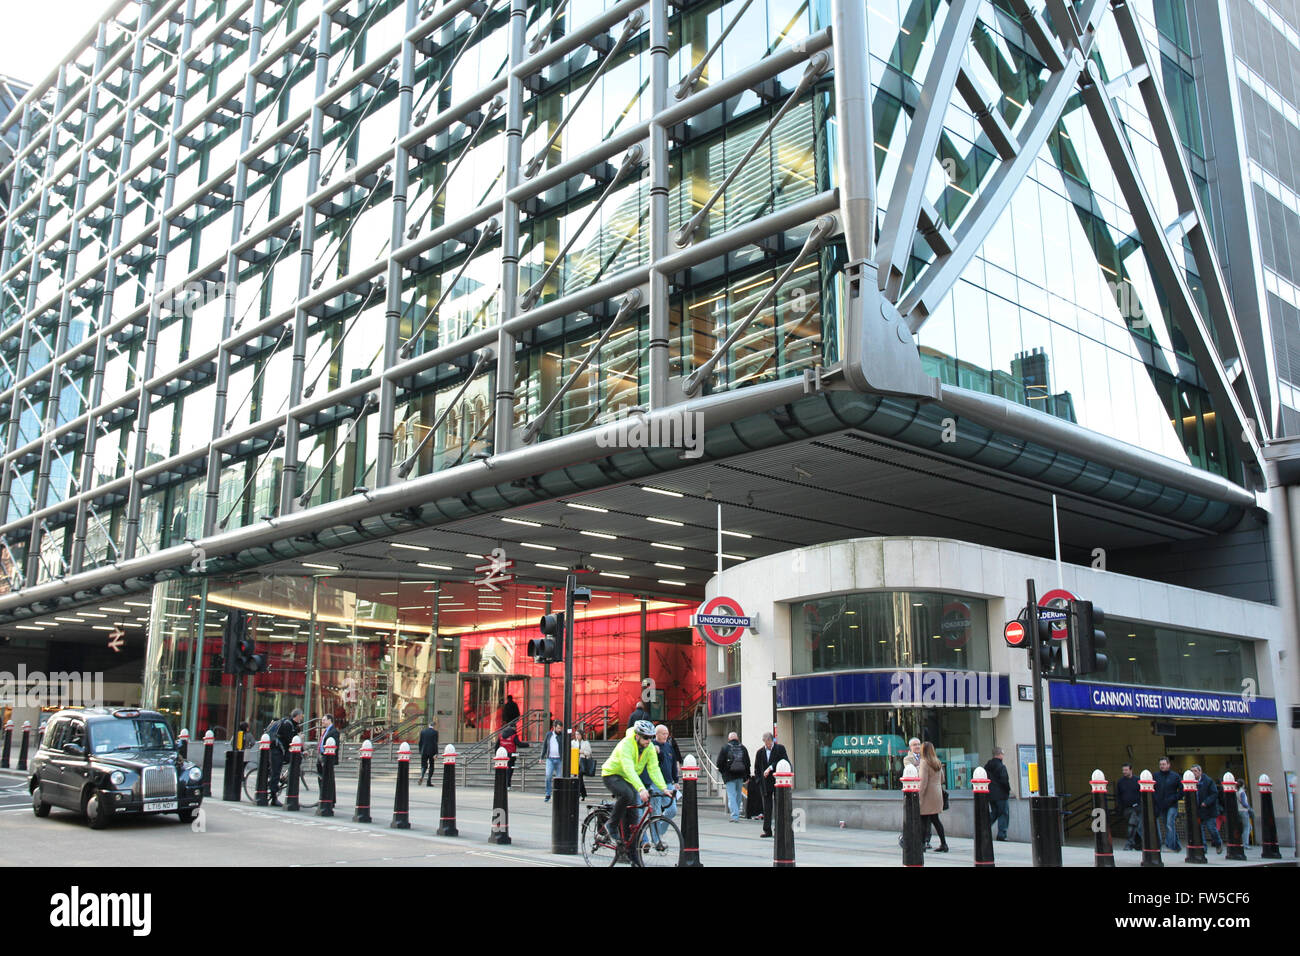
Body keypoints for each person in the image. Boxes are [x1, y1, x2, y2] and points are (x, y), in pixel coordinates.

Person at [600, 720, 668, 846]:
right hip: (612, 774)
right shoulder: (626, 744)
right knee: (627, 794)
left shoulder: (650, 748)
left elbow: (654, 769)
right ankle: (611, 825)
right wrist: (641, 789)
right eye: (646, 737)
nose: (649, 741)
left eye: (651, 737)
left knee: (633, 816)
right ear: (637, 736)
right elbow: (628, 769)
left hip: (628, 778)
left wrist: (664, 788)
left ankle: (629, 851)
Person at [642, 725, 680, 848]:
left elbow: (673, 764)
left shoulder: (669, 747)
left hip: (668, 783)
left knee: (672, 810)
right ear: (656, 734)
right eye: (663, 733)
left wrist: (676, 780)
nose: (666, 736)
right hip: (655, 783)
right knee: (656, 812)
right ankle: (656, 840)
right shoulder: (651, 746)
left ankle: (659, 832)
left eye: (667, 733)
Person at [753, 731, 791, 838]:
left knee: (778, 805)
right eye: (765, 742)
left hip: (777, 781)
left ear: (772, 740)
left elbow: (784, 761)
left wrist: (770, 768)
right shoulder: (760, 752)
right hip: (765, 784)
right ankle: (767, 830)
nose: (767, 744)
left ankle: (778, 829)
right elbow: (756, 768)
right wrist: (759, 780)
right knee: (767, 807)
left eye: (768, 742)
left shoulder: (780, 749)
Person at [266, 708, 303, 806]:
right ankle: (273, 798)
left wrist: (303, 750)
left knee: (297, 759)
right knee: (276, 772)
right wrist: (300, 739)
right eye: (301, 716)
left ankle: (284, 778)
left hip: (281, 751)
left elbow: (294, 741)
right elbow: (291, 740)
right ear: (298, 716)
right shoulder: (288, 724)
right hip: (277, 751)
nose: (302, 718)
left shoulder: (293, 725)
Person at [919, 741, 948, 852]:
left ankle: (921, 845)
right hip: (937, 793)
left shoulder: (924, 762)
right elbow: (942, 779)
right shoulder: (937, 762)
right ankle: (944, 844)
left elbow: (923, 782)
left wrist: (919, 797)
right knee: (935, 820)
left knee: (923, 820)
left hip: (927, 794)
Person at [715, 731, 750, 823]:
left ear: (729, 739)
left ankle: (735, 816)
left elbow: (719, 763)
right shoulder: (743, 748)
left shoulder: (725, 748)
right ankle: (736, 814)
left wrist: (723, 772)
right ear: (737, 738)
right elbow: (747, 763)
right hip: (740, 775)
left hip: (729, 776)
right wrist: (747, 776)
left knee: (731, 796)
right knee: (738, 796)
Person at [1153, 756, 1182, 852]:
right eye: (1160, 764)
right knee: (1168, 825)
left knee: (1170, 824)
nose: (1162, 766)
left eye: (1164, 764)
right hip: (1161, 805)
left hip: (1172, 804)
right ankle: (1176, 845)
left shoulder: (1175, 776)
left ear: (1169, 765)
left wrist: (1174, 798)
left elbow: (1182, 790)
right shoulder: (1155, 776)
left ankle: (1169, 846)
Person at [1192, 765, 1224, 854]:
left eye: (1195, 771)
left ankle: (1218, 843)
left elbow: (1214, 794)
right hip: (1198, 811)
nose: (1193, 773)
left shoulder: (1208, 781)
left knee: (1211, 829)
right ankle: (1203, 848)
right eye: (1192, 771)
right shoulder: (1191, 782)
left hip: (1209, 810)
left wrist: (1206, 802)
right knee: (1200, 830)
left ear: (1200, 771)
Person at [983, 747, 1011, 841]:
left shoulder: (987, 766)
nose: (1003, 756)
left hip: (991, 794)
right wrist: (1008, 790)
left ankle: (984, 828)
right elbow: (1004, 781)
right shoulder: (1001, 767)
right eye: (1002, 754)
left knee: (994, 813)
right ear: (999, 754)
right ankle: (1002, 834)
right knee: (1003, 814)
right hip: (1001, 794)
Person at [1116, 763, 1142, 850]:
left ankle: (1129, 843)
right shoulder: (1120, 782)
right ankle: (1139, 844)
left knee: (1132, 824)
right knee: (1135, 826)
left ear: (1131, 770)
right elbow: (1118, 795)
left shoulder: (1138, 780)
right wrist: (1119, 807)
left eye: (1126, 770)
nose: (1124, 772)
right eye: (1123, 770)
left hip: (1136, 807)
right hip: (1126, 808)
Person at [542, 720, 564, 801]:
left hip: (559, 759)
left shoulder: (562, 735)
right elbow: (545, 746)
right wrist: (541, 757)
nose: (559, 730)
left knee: (559, 777)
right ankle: (548, 793)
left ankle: (558, 795)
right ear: (554, 727)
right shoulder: (549, 735)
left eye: (560, 728)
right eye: (558, 728)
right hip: (550, 759)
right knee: (548, 776)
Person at [317, 713, 340, 778]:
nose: (322, 722)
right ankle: (321, 787)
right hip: (321, 755)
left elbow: (336, 745)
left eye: (324, 720)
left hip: (327, 757)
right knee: (320, 776)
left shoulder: (334, 731)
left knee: (326, 776)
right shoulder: (325, 730)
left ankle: (325, 788)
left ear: (329, 720)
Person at [417, 719, 439, 786]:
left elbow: (420, 742)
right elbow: (435, 743)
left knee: (424, 765)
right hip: (432, 751)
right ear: (434, 726)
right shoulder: (435, 732)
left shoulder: (423, 732)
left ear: (428, 725)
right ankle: (428, 781)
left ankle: (422, 775)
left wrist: (420, 750)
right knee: (431, 766)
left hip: (424, 750)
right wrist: (436, 753)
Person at [574, 728, 593, 800]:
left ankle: (578, 793)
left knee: (579, 776)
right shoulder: (573, 742)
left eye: (578, 734)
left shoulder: (586, 742)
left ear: (581, 735)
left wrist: (581, 752)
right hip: (575, 762)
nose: (577, 736)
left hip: (583, 761)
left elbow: (589, 752)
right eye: (576, 734)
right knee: (580, 778)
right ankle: (583, 794)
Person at [499, 724, 518, 789]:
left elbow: (497, 745)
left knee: (503, 770)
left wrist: (497, 753)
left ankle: (503, 784)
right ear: (514, 728)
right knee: (509, 770)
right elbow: (519, 744)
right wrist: (528, 744)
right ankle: (508, 785)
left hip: (502, 754)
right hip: (511, 754)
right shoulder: (513, 735)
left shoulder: (501, 735)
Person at [1237, 777, 1254, 848]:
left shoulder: (1236, 791)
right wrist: (1249, 807)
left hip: (1238, 811)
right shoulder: (1242, 792)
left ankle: (1243, 841)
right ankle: (1245, 843)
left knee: (1247, 827)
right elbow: (1244, 803)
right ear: (1243, 784)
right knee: (1247, 827)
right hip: (1244, 811)